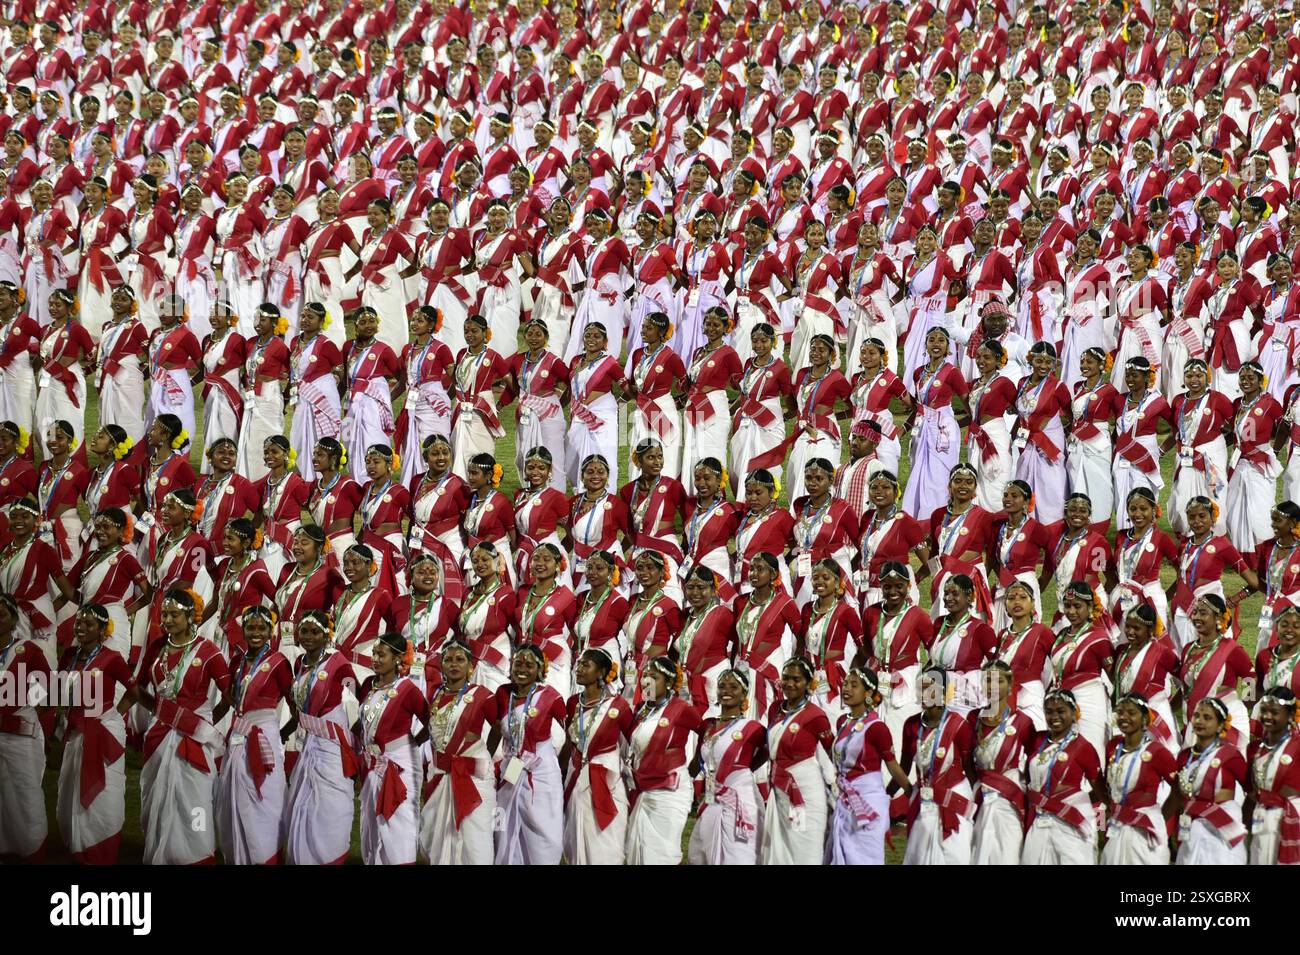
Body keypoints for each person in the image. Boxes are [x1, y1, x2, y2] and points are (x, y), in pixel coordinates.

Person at [136, 589, 231, 865]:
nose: (167, 619)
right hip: (158, 735)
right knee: (154, 797)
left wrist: (206, 717)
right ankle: (161, 853)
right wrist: (158, 710)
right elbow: (138, 687)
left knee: (196, 802)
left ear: (191, 616)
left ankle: (198, 855)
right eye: (164, 614)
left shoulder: (209, 651)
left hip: (194, 739)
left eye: (174, 614)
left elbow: (230, 695)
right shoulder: (157, 647)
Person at [54, 605, 140, 864]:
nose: (80, 627)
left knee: (103, 798)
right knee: (69, 793)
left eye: (89, 624)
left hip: (102, 734)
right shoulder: (70, 655)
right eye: (79, 622)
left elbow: (134, 692)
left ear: (103, 630)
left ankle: (100, 851)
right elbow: (58, 687)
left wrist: (112, 714)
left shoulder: (112, 658)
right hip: (76, 733)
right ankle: (78, 847)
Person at [214, 605, 294, 865]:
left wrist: (280, 734)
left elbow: (295, 706)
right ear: (244, 630)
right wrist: (207, 722)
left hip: (264, 739)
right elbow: (229, 700)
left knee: (262, 800)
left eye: (262, 628)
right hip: (238, 738)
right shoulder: (237, 661)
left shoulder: (279, 662)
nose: (256, 633)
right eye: (251, 627)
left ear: (271, 631)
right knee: (233, 799)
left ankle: (264, 856)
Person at [283, 610, 360, 867]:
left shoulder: (339, 663)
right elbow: (299, 704)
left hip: (332, 747)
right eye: (304, 631)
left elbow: (353, 696)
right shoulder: (300, 663)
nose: (308, 637)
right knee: (303, 805)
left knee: (329, 807)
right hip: (308, 745)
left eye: (315, 632)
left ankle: (329, 857)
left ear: (326, 635)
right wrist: (287, 730)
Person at [355, 632, 431, 865]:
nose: (375, 659)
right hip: (372, 762)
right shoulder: (369, 684)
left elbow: (429, 720)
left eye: (382, 654)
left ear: (398, 658)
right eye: (374, 654)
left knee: (398, 821)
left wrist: (412, 744)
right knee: (370, 821)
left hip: (400, 764)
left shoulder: (407, 688)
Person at [419, 639, 497, 865]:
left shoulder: (483, 695)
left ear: (470, 665)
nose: (454, 665)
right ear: (441, 664)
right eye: (448, 660)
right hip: (440, 772)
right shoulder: (434, 695)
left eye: (460, 660)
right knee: (437, 833)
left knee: (474, 837)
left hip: (472, 775)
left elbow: (499, 728)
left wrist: (485, 753)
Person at [488, 645, 567, 865]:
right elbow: (496, 728)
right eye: (518, 664)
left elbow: (571, 733)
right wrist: (487, 759)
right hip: (510, 767)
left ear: (539, 670)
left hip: (541, 771)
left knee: (543, 828)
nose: (522, 669)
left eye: (529, 665)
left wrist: (562, 766)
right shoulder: (503, 693)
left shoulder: (550, 696)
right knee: (502, 823)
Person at [827, 667, 911, 865]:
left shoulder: (877, 728)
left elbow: (894, 768)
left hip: (868, 804)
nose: (846, 688)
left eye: (854, 685)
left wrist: (911, 793)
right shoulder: (842, 722)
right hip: (843, 801)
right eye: (846, 683)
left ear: (868, 694)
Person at [561, 647, 634, 865]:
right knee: (576, 837)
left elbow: (632, 742)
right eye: (579, 664)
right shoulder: (573, 702)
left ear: (601, 672)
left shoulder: (618, 705)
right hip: (576, 775)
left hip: (606, 778)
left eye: (586, 665)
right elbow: (569, 741)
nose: (579, 669)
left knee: (606, 840)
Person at [687, 668, 767, 865]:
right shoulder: (708, 726)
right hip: (711, 796)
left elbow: (767, 752)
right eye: (722, 686)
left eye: (734, 687)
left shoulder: (753, 728)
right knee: (701, 851)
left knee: (737, 852)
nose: (726, 691)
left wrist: (744, 769)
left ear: (744, 694)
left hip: (739, 798)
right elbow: (697, 761)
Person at [760, 657, 834, 865]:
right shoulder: (775, 708)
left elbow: (833, 752)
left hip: (803, 792)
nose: (790, 683)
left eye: (796, 679)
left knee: (802, 846)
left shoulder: (816, 716)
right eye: (786, 678)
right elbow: (769, 747)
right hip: (778, 789)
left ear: (808, 683)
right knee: (778, 846)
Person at [901, 666, 976, 865]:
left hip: (953, 797)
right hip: (923, 801)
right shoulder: (911, 725)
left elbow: (969, 769)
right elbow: (904, 766)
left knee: (954, 854)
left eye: (929, 688)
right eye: (921, 688)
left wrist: (979, 801)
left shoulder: (959, 725)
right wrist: (894, 793)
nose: (923, 693)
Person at [1021, 689, 1102, 865]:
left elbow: (1102, 792)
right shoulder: (1037, 740)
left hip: (1070, 823)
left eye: (1061, 711)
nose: (1054, 717)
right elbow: (1029, 776)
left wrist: (1070, 802)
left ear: (1073, 712)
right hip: (1040, 819)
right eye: (1049, 712)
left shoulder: (1083, 747)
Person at [1169, 498, 1260, 648]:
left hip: (1211, 610)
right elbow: (1181, 579)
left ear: (1213, 517)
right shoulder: (1185, 546)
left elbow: (1254, 581)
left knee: (1213, 657)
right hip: (1182, 611)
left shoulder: (1222, 545)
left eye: (1202, 516)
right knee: (1183, 659)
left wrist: (1236, 598)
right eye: (1192, 517)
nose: (1197, 521)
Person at [0, 594, 51, 862]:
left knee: (25, 791)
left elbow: (48, 693)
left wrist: (25, 713)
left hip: (20, 735)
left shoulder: (28, 649)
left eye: (2, 615)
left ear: (12, 619)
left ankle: (33, 848)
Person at [969, 661, 1035, 865]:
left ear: (1010, 683)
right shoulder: (973, 718)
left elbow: (1033, 763)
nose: (993, 686)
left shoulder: (1023, 722)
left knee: (1007, 851)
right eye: (988, 680)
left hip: (1009, 798)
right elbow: (965, 760)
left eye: (999, 680)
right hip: (979, 795)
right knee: (977, 850)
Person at [1101, 693, 1178, 865]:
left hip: (1145, 828)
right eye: (1120, 712)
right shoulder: (1113, 747)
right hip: (1118, 824)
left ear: (1144, 718)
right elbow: (1105, 783)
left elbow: (1179, 788)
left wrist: (1161, 817)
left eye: (1131, 713)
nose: (1124, 717)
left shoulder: (1157, 751)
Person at [1170, 698, 1249, 865]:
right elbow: (1175, 796)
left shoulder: (1231, 755)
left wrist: (1245, 821)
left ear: (1220, 725)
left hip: (1222, 830)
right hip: (1192, 827)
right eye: (1196, 716)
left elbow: (1253, 792)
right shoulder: (1184, 756)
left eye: (1207, 717)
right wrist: (1162, 826)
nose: (1199, 721)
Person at [903, 327, 967, 520]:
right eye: (932, 340)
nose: (936, 344)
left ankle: (937, 517)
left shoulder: (953, 373)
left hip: (943, 428)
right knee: (918, 469)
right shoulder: (918, 373)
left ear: (948, 347)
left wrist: (958, 425)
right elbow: (918, 406)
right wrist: (905, 427)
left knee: (939, 474)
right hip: (922, 426)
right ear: (926, 345)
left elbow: (970, 405)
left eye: (941, 340)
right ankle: (917, 515)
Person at [1165, 359, 1234, 530]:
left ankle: (1214, 537)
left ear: (1207, 377)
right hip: (1185, 457)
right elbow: (1176, 431)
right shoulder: (1178, 401)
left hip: (1211, 457)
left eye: (1199, 375)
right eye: (1189, 375)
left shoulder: (1218, 399)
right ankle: (1187, 538)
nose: (1194, 379)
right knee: (1182, 496)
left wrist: (1217, 446)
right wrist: (1161, 450)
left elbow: (1236, 427)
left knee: (1214, 494)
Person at [679, 307, 742, 496]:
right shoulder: (698, 352)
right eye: (708, 324)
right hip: (694, 407)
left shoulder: (729, 353)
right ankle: (694, 500)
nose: (712, 328)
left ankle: (717, 500)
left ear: (726, 328)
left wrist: (734, 407)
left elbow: (743, 387)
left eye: (717, 325)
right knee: (692, 453)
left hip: (713, 409)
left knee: (712, 453)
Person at [1225, 361, 1285, 554]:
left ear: (1260, 381)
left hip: (1260, 462)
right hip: (1239, 462)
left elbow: (1285, 426)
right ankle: (1243, 552)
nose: (1246, 381)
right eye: (1242, 378)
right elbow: (1233, 433)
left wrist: (1274, 451)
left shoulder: (1270, 403)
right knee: (1235, 507)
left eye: (1251, 378)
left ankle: (1266, 552)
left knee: (1260, 508)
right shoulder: (1237, 404)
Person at [502, 320, 568, 490]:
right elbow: (513, 388)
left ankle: (556, 496)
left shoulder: (554, 361)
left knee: (553, 456)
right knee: (526, 455)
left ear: (546, 337)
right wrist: (500, 405)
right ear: (524, 336)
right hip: (526, 414)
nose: (534, 338)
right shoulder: (517, 360)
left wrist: (558, 404)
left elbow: (569, 382)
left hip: (549, 415)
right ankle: (530, 494)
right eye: (530, 334)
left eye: (538, 334)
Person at [1012, 342, 1073, 524]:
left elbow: (1070, 414)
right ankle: (1027, 520)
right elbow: (1022, 411)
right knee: (1025, 476)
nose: (1044, 366)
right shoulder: (1022, 383)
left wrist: (1065, 435)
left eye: (1049, 362)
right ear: (1031, 360)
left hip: (1049, 439)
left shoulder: (1058, 386)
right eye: (1039, 361)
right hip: (1027, 438)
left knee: (1050, 483)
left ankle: (1051, 522)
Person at [1112, 357, 1172, 532]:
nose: (1130, 379)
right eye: (1128, 375)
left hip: (1145, 453)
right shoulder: (1119, 400)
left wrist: (1162, 449)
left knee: (1143, 495)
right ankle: (1125, 537)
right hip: (1122, 454)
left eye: (1135, 375)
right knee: (1122, 497)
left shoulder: (1157, 402)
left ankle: (1145, 539)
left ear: (1146, 377)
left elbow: (1177, 428)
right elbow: (1116, 431)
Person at [341, 306, 400, 482]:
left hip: (373, 406)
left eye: (372, 321)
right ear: (355, 326)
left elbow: (401, 376)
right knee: (350, 442)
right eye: (363, 322)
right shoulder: (347, 348)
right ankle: (357, 480)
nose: (368, 325)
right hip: (352, 404)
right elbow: (345, 380)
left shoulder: (383, 350)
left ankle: (374, 482)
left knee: (372, 440)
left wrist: (387, 398)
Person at [627, 313, 687, 482]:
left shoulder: (671, 358)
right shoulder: (637, 354)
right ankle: (639, 489)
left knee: (664, 452)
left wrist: (678, 402)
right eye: (643, 326)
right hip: (642, 409)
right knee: (641, 447)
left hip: (663, 409)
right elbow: (634, 383)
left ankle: (664, 492)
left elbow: (688, 386)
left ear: (661, 332)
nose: (643, 330)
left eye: (649, 328)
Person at [566, 323, 628, 491]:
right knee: (572, 456)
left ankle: (607, 495)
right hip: (580, 415)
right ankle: (581, 491)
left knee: (605, 455)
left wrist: (619, 409)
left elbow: (628, 390)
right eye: (588, 336)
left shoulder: (610, 363)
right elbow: (569, 389)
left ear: (605, 341)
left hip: (603, 416)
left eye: (596, 336)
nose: (591, 339)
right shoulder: (575, 361)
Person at [287, 303, 344, 482]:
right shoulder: (295, 342)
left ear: (321, 322)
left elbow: (340, 370)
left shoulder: (327, 344)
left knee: (322, 437)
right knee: (298, 437)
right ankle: (305, 478)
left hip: (322, 397)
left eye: (310, 317)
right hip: (302, 397)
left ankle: (324, 479)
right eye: (303, 316)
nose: (305, 320)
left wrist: (329, 389)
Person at [802, 559, 862, 721]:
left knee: (834, 721)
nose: (819, 581)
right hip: (809, 675)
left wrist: (854, 676)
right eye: (815, 577)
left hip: (834, 676)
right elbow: (801, 645)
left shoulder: (846, 611)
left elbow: (863, 647)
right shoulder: (807, 609)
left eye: (825, 577)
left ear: (837, 583)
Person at [449, 313, 507, 479]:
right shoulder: (461, 354)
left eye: (474, 331)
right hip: (461, 408)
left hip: (482, 410)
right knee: (458, 448)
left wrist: (501, 404)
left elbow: (512, 384)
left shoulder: (493, 356)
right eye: (466, 331)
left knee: (482, 449)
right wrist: (447, 400)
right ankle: (459, 484)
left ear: (485, 332)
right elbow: (456, 382)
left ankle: (482, 486)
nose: (469, 335)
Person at [1246, 687, 1300, 865]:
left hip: (1291, 820)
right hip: (1261, 821)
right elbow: (1251, 793)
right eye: (1264, 711)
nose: (1267, 717)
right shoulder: (1253, 749)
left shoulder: (1297, 746)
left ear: (1291, 713)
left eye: (1274, 712)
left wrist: (1266, 797)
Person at [1068, 347, 1121, 524]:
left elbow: (1121, 420)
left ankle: (1098, 524)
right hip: (1076, 443)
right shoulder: (1077, 387)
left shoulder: (1109, 390)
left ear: (1101, 365)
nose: (1084, 365)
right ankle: (1078, 522)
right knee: (1076, 481)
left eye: (1089, 362)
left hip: (1098, 443)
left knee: (1099, 484)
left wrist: (1111, 441)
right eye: (1082, 361)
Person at [457, 542, 518, 693]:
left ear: (496, 561)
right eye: (476, 561)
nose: (480, 564)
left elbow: (516, 630)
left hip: (494, 660)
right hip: (469, 660)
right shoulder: (467, 593)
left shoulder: (505, 594)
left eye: (485, 559)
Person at [95, 285, 149, 442]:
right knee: (109, 419)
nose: (119, 302)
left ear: (132, 304)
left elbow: (150, 356)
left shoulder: (137, 326)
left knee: (128, 418)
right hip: (108, 378)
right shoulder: (107, 326)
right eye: (116, 298)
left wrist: (136, 374)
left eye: (124, 299)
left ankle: (133, 458)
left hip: (128, 381)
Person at [307, 438, 363, 564]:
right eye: (314, 454)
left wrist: (360, 542)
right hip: (321, 548)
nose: (314, 458)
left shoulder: (349, 486)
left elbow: (368, 514)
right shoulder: (313, 487)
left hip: (344, 549)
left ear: (333, 459)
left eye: (320, 455)